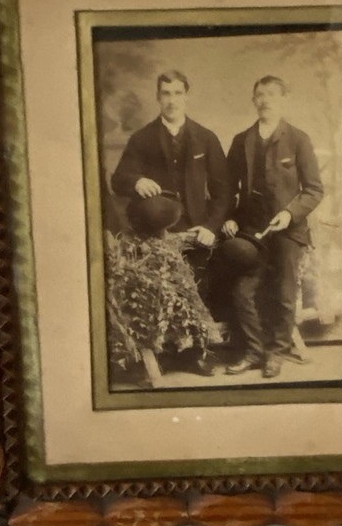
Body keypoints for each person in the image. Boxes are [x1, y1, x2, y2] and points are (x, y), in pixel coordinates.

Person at [222, 75, 323, 379]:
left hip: (288, 232)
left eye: (271, 95)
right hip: (251, 232)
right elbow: (228, 188)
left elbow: (314, 190)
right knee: (242, 291)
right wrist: (229, 217)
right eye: (260, 95)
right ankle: (254, 351)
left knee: (284, 292)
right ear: (254, 100)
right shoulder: (241, 141)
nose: (265, 100)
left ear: (283, 100)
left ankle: (276, 352)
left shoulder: (298, 139)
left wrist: (290, 214)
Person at [110, 68, 230, 303]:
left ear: (186, 96)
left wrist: (211, 226)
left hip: (197, 232)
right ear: (158, 97)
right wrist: (137, 181)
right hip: (157, 235)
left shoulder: (206, 138)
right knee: (161, 299)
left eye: (177, 93)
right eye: (166, 93)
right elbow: (119, 179)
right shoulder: (142, 138)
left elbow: (223, 190)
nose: (172, 100)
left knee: (199, 297)